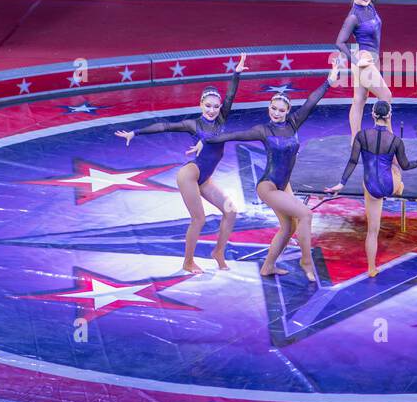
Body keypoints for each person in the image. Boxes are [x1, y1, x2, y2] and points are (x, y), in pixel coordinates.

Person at [198, 60, 341, 280]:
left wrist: (329, 82)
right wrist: (205, 140)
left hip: (285, 186)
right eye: (273, 109)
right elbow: (232, 135)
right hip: (268, 186)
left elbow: (311, 102)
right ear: (269, 109)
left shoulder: (293, 124)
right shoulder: (263, 130)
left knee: (288, 227)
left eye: (281, 110)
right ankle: (306, 261)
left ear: (287, 111)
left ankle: (268, 266)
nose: (276, 113)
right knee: (306, 214)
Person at [116, 55, 248, 274]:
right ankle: (188, 262)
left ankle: (218, 252)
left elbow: (231, 95)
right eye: (208, 106)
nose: (212, 110)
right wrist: (135, 132)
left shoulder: (221, 119)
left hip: (205, 179)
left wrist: (237, 73)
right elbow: (164, 126)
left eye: (216, 106)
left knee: (231, 211)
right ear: (200, 105)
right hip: (190, 175)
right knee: (199, 219)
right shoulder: (192, 124)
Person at [327, 101, 417, 277]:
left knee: (373, 231)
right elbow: (406, 165)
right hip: (390, 185)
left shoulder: (361, 136)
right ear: (389, 116)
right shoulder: (395, 140)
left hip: (371, 187)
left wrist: (341, 183)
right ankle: (399, 189)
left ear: (373, 115)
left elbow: (353, 161)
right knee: (396, 167)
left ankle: (371, 268)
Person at [335, 0, 402, 140]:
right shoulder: (353, 17)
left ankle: (355, 140)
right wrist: (356, 61)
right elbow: (339, 42)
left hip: (372, 58)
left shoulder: (370, 5)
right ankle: (388, 138)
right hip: (364, 59)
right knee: (386, 96)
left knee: (360, 100)